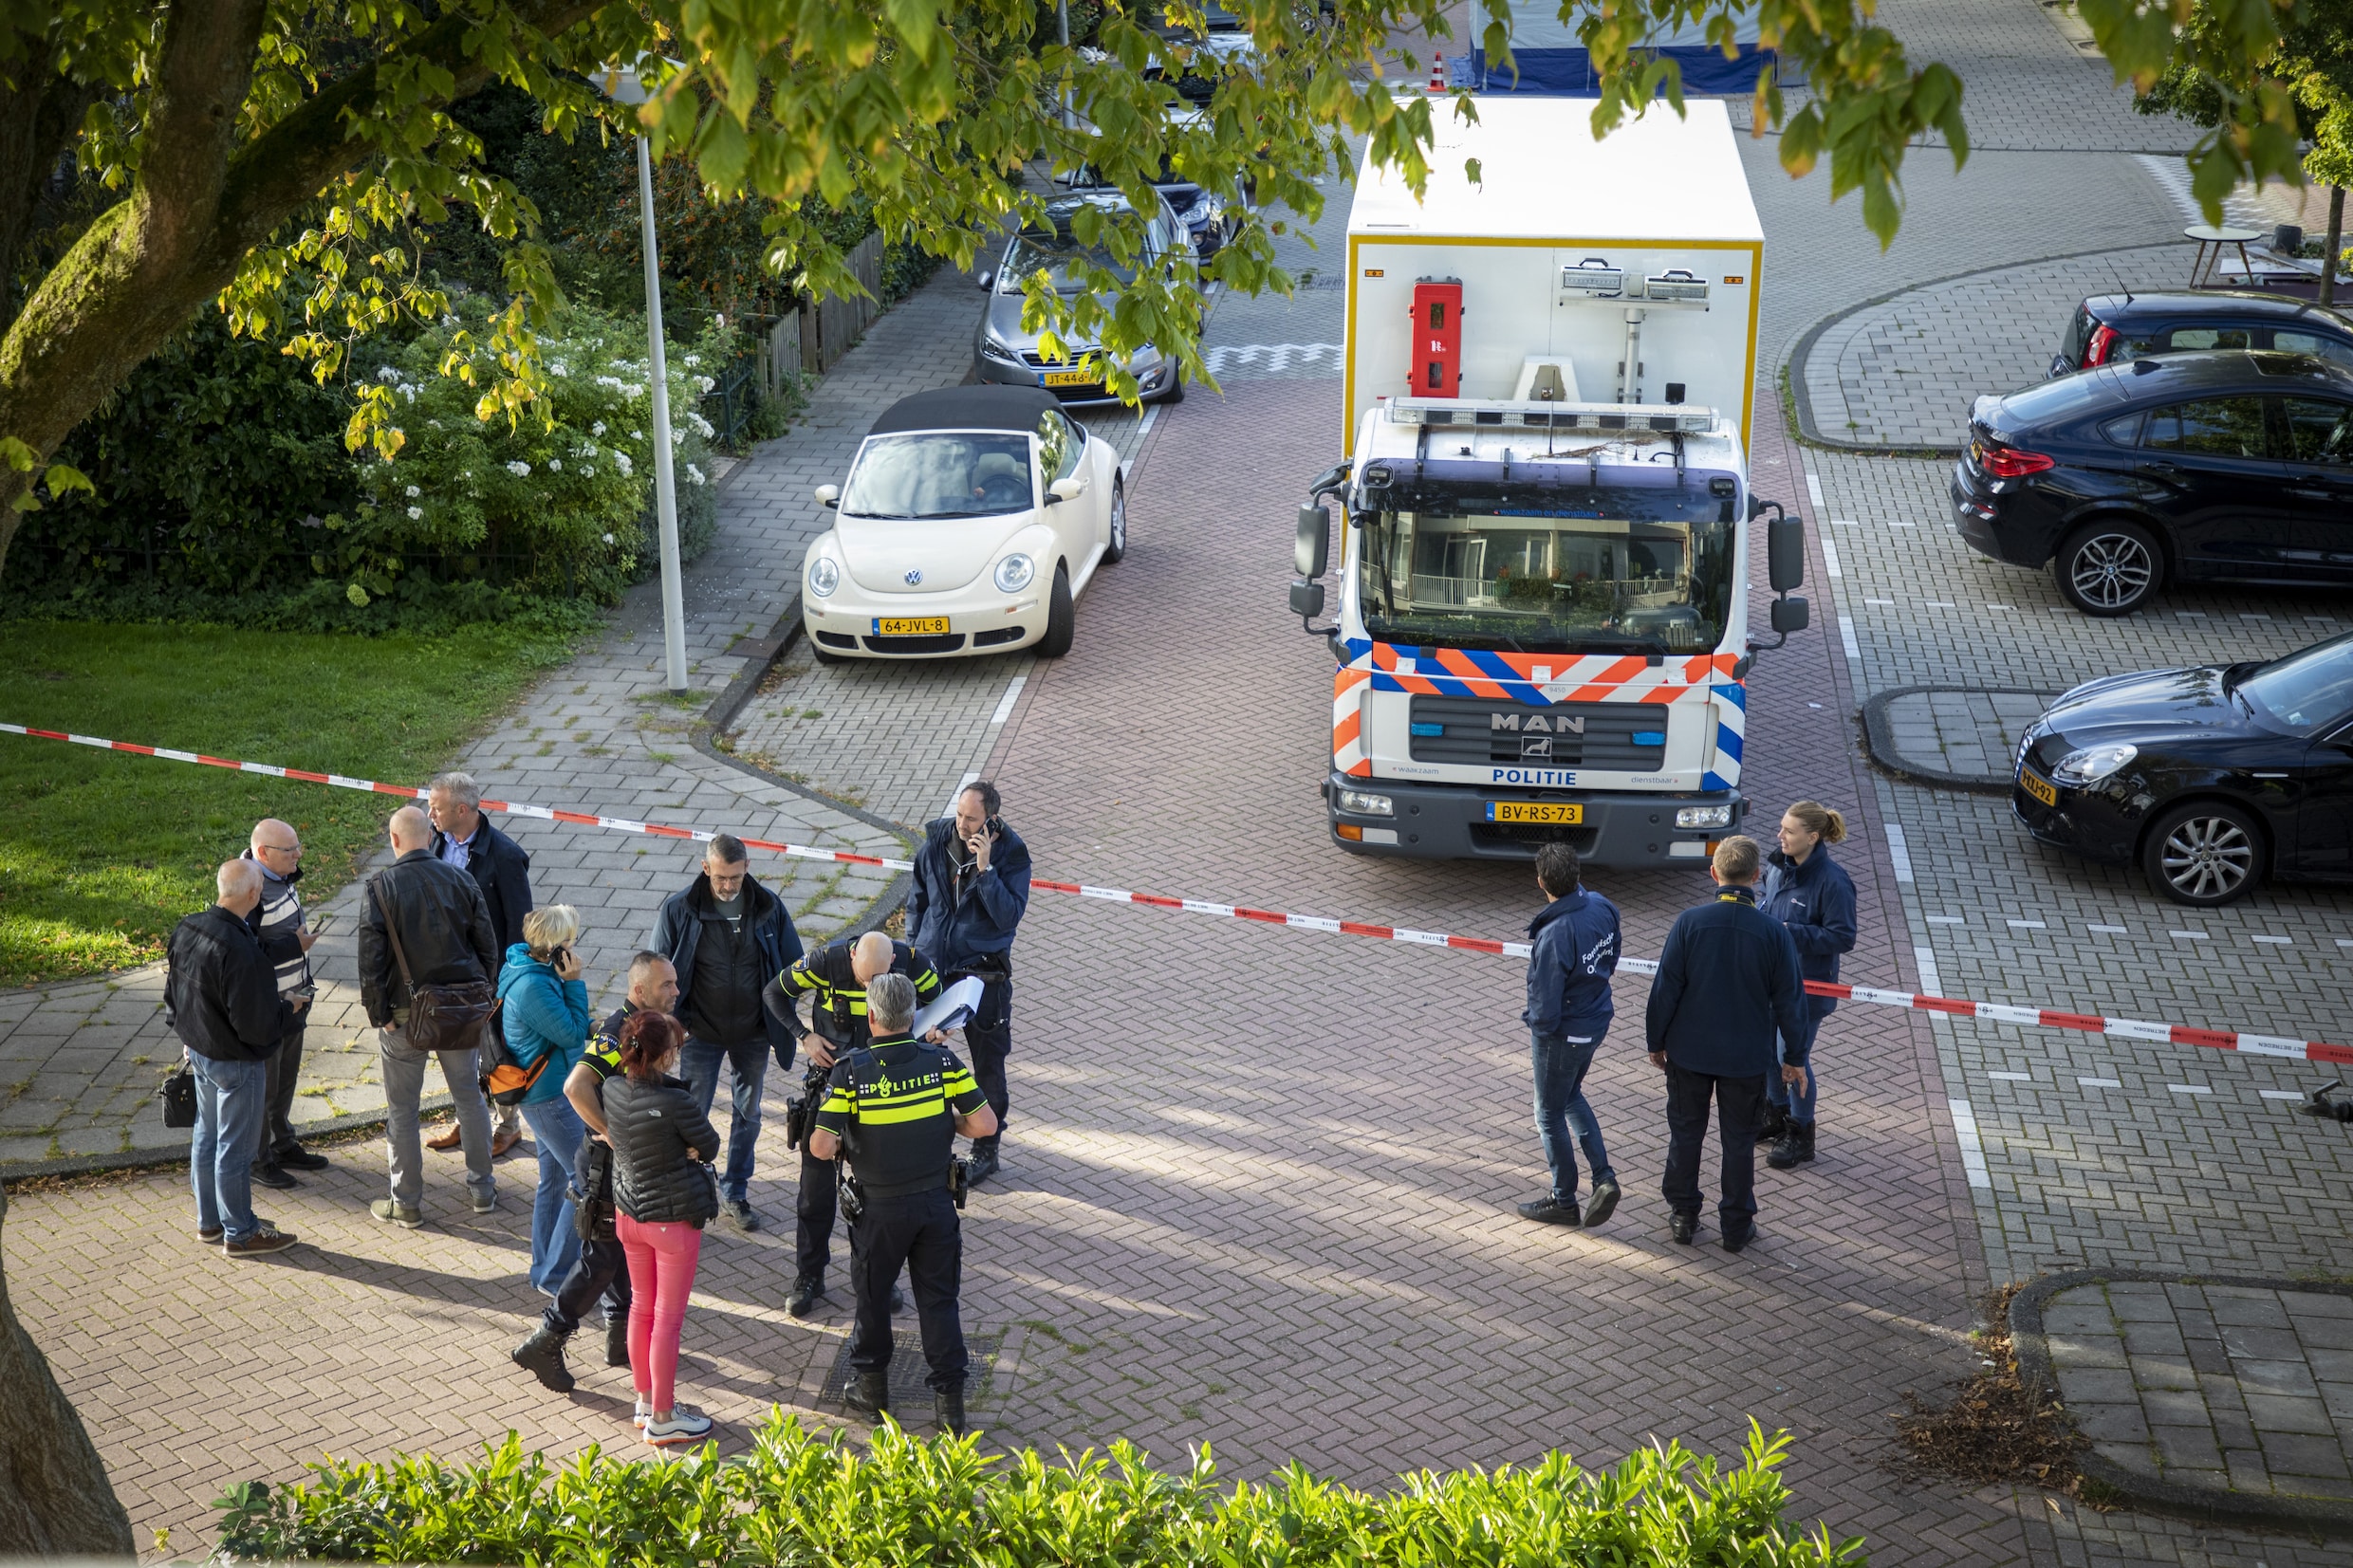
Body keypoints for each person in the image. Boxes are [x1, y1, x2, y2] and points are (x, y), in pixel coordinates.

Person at [808, 971, 996, 1434]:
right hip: (936, 1205)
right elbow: (986, 1123)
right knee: (939, 1302)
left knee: (873, 1299)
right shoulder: (943, 1062)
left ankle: (872, 1393)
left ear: (871, 1017)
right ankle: (949, 1406)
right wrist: (942, 1124)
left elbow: (820, 1147)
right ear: (912, 1016)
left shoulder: (850, 1072)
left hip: (878, 1213)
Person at [511, 951, 676, 1393]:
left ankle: (620, 1337)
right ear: (639, 991)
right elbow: (575, 1086)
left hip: (620, 1165)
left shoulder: (645, 1028)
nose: (675, 992)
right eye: (666, 986)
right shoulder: (618, 1032)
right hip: (604, 1165)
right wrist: (611, 1133)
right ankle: (546, 1338)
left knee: (621, 1248)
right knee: (600, 1257)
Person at [1643, 835, 1808, 1252]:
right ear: (1756, 876)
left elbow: (1665, 990)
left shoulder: (1689, 923)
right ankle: (1736, 1225)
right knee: (1738, 1142)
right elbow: (1791, 1001)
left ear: (1714, 873)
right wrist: (1793, 1058)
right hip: (1745, 1059)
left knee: (1686, 1135)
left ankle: (1683, 1214)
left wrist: (1656, 1041)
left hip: (1690, 1053)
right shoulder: (1773, 933)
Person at [767, 930, 942, 1318]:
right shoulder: (824, 962)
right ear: (851, 961)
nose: (869, 989)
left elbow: (942, 1005)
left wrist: (933, 1034)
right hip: (829, 1090)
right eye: (863, 981)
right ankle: (809, 1275)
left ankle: (880, 1276)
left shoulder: (916, 964)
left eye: (877, 981)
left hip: (882, 1093)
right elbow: (774, 992)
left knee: (879, 1195)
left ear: (893, 963)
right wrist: (805, 1036)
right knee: (815, 1193)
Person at [647, 835, 804, 1230]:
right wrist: (669, 1022)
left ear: (747, 867)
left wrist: (788, 1020)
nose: (728, 886)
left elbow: (793, 967)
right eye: (720, 878)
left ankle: (735, 1189)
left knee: (748, 1112)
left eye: (735, 877)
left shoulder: (769, 907)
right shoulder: (679, 909)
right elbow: (657, 969)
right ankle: (693, 1187)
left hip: (753, 1032)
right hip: (701, 1032)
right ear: (706, 869)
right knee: (693, 1112)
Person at [358, 805, 501, 1227]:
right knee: (470, 1099)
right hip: (460, 1013)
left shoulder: (381, 887)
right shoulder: (462, 878)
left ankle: (406, 1203)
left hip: (404, 1015)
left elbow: (370, 958)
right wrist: (483, 995)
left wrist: (379, 1013)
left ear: (395, 840)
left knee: (402, 1110)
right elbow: (487, 945)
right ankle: (483, 1191)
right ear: (428, 836)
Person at [166, 860, 308, 1258]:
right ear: (252, 895)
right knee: (235, 1148)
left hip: (201, 1051)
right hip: (236, 1064)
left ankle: (209, 1222)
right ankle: (241, 1233)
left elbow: (174, 992)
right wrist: (289, 1008)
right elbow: (257, 1026)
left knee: (206, 1136)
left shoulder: (188, 927)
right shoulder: (243, 952)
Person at [905, 781, 1030, 1186]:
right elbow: (917, 900)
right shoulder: (936, 842)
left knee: (988, 1065)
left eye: (971, 818)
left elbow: (1009, 917)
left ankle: (986, 1150)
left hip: (984, 975)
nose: (961, 824)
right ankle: (918, 1141)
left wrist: (986, 871)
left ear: (990, 820)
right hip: (933, 970)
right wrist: (912, 950)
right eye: (959, 814)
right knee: (916, 1053)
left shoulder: (1012, 854)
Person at [605, 1009, 720, 1446]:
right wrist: (687, 1149)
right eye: (675, 1047)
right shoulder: (677, 1101)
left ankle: (644, 1401)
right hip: (671, 1221)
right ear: (664, 1055)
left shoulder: (613, 1088)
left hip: (628, 1215)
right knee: (667, 1321)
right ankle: (665, 1417)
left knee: (641, 1308)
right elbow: (709, 1145)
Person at [1514, 842, 1622, 1229]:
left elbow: (1545, 1001)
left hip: (1563, 1033)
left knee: (1548, 1112)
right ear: (1577, 873)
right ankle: (1603, 1177)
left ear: (1541, 881)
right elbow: (1611, 958)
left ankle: (1563, 1199)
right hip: (1595, 1021)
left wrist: (1540, 1031)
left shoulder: (1555, 933)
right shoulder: (1602, 905)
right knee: (1571, 1094)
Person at [427, 770, 533, 1158]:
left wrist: (508, 978)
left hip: (489, 975)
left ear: (461, 809)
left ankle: (508, 1126)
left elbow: (520, 923)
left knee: (496, 1051)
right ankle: (469, 1117)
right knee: (459, 1051)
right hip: (447, 971)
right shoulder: (436, 841)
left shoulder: (504, 856)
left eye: (435, 807)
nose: (430, 813)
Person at [496, 905, 593, 1298]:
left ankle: (543, 1272)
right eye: (570, 942)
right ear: (554, 950)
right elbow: (570, 1034)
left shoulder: (533, 971)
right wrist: (574, 983)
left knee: (554, 1182)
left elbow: (564, 1026)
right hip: (549, 1098)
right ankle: (555, 1276)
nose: (575, 949)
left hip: (548, 1092)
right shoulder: (534, 986)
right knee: (586, 1180)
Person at [1758, 801, 1859, 1171]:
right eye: (1781, 827)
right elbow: (1768, 904)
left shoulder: (1833, 882)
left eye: (1788, 831)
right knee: (1766, 1052)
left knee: (1792, 1059)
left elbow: (1842, 937)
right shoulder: (1775, 867)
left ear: (1812, 837)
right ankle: (1775, 1116)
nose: (1779, 835)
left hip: (1806, 990)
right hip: (1767, 981)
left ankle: (1801, 1134)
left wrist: (1790, 934)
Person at [242, 819, 328, 1190]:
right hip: (271, 1007)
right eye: (290, 850)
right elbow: (246, 952)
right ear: (263, 854)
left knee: (286, 1079)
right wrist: (296, 946)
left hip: (296, 998)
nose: (298, 855)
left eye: (298, 846)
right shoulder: (249, 891)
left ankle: (283, 1143)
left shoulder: (282, 877)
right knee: (265, 1086)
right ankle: (258, 1161)